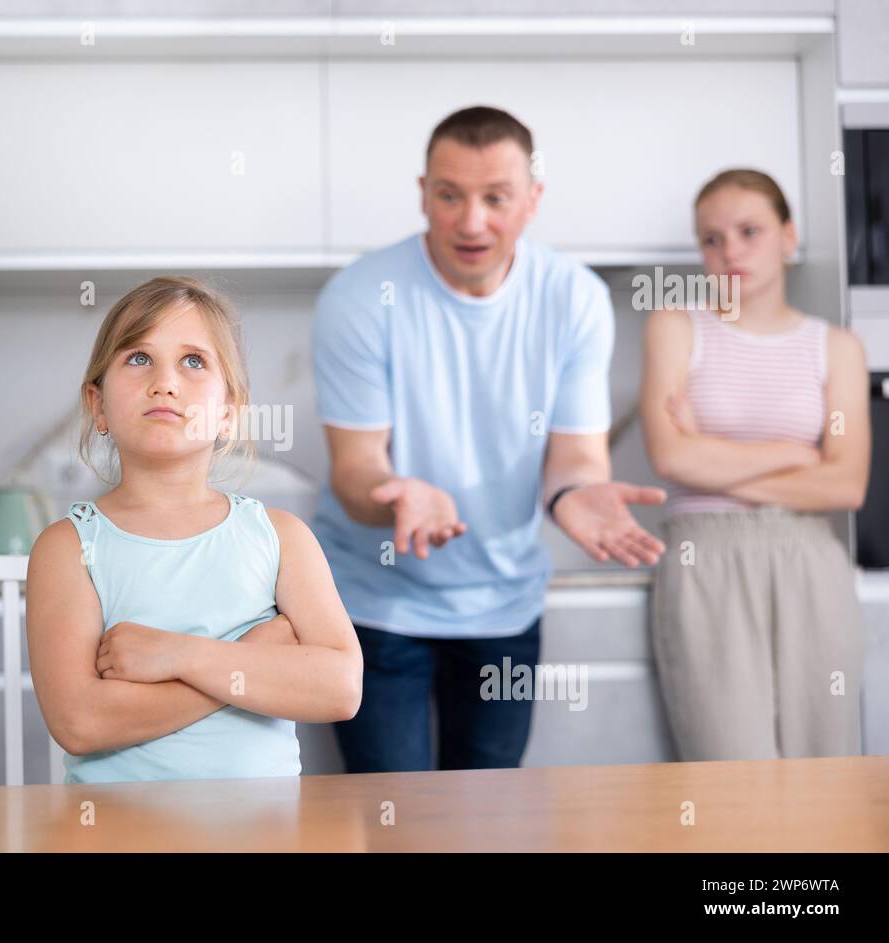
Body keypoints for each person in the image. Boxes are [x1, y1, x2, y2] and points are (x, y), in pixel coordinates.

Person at [313, 105, 667, 774]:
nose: (471, 221)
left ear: (532, 201)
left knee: (488, 823)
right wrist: (394, 496)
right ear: (424, 194)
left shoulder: (575, 299)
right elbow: (355, 467)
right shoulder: (360, 296)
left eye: (495, 197)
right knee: (395, 824)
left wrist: (575, 494)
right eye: (450, 195)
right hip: (375, 601)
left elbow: (575, 456)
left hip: (503, 606)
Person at [26, 276, 362, 783]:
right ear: (97, 406)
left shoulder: (282, 537)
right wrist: (251, 661)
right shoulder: (68, 547)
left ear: (229, 413)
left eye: (194, 361)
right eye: (138, 358)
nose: (165, 382)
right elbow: (80, 721)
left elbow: (340, 688)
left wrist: (178, 655)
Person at [641, 168, 869, 760]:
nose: (729, 251)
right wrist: (792, 456)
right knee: (727, 766)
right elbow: (671, 456)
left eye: (749, 231)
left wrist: (711, 456)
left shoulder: (836, 347)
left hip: (809, 559)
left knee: (828, 762)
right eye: (711, 238)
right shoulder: (675, 328)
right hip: (703, 558)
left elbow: (846, 484)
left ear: (789, 236)